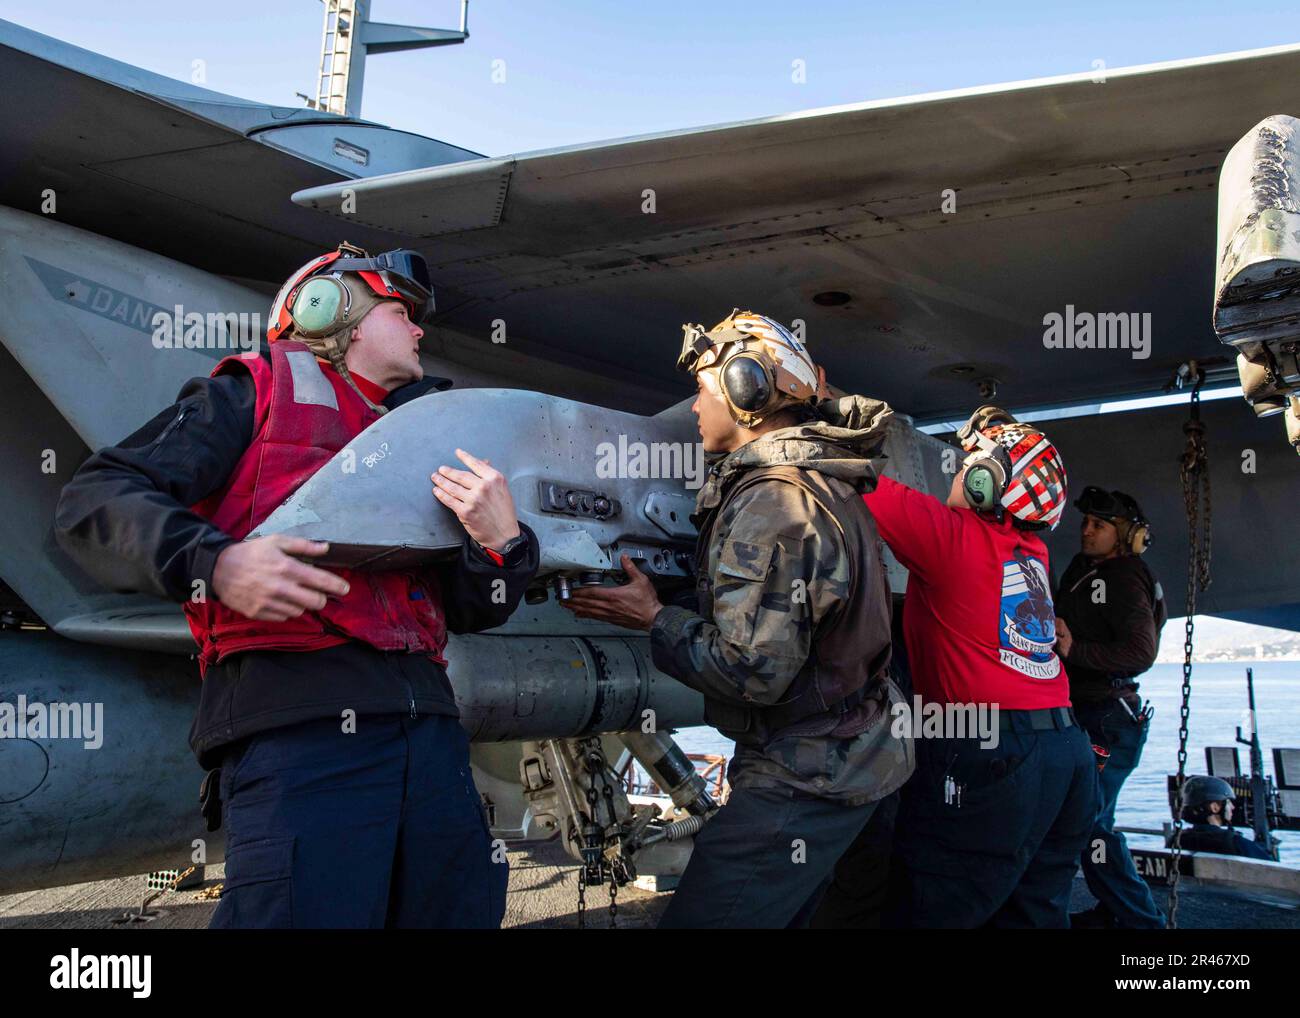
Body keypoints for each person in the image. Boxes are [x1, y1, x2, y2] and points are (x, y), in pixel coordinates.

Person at [54, 243, 539, 928]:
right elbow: (93, 500)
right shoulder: (247, 394)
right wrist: (216, 564)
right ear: (328, 311)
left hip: (431, 735)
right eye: (402, 311)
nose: (421, 330)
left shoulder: (423, 436)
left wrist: (501, 547)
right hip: (302, 735)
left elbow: (466, 610)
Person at [561, 309, 913, 928]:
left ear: (745, 392)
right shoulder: (824, 483)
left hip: (803, 775)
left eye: (703, 390)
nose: (695, 408)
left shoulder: (773, 503)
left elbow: (753, 672)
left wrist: (652, 618)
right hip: (852, 756)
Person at [863, 405, 1097, 928]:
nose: (959, 471)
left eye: (970, 464)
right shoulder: (1032, 552)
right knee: (1031, 913)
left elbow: (857, 476)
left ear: (986, 486)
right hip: (1065, 753)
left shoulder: (952, 538)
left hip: (991, 754)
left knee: (933, 905)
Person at [1054, 487, 1167, 929]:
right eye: (1085, 522)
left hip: (1107, 720)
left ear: (1124, 536)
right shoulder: (1087, 569)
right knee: (1093, 819)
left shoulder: (1123, 577)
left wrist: (1074, 649)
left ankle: (1142, 921)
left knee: (1089, 824)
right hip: (1091, 714)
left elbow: (1140, 652)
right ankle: (1117, 912)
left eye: (1099, 525)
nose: (1087, 530)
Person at [1177, 776, 1275, 860]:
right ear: (1214, 807)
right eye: (1229, 802)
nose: (1232, 807)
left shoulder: (1176, 841)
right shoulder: (1235, 843)